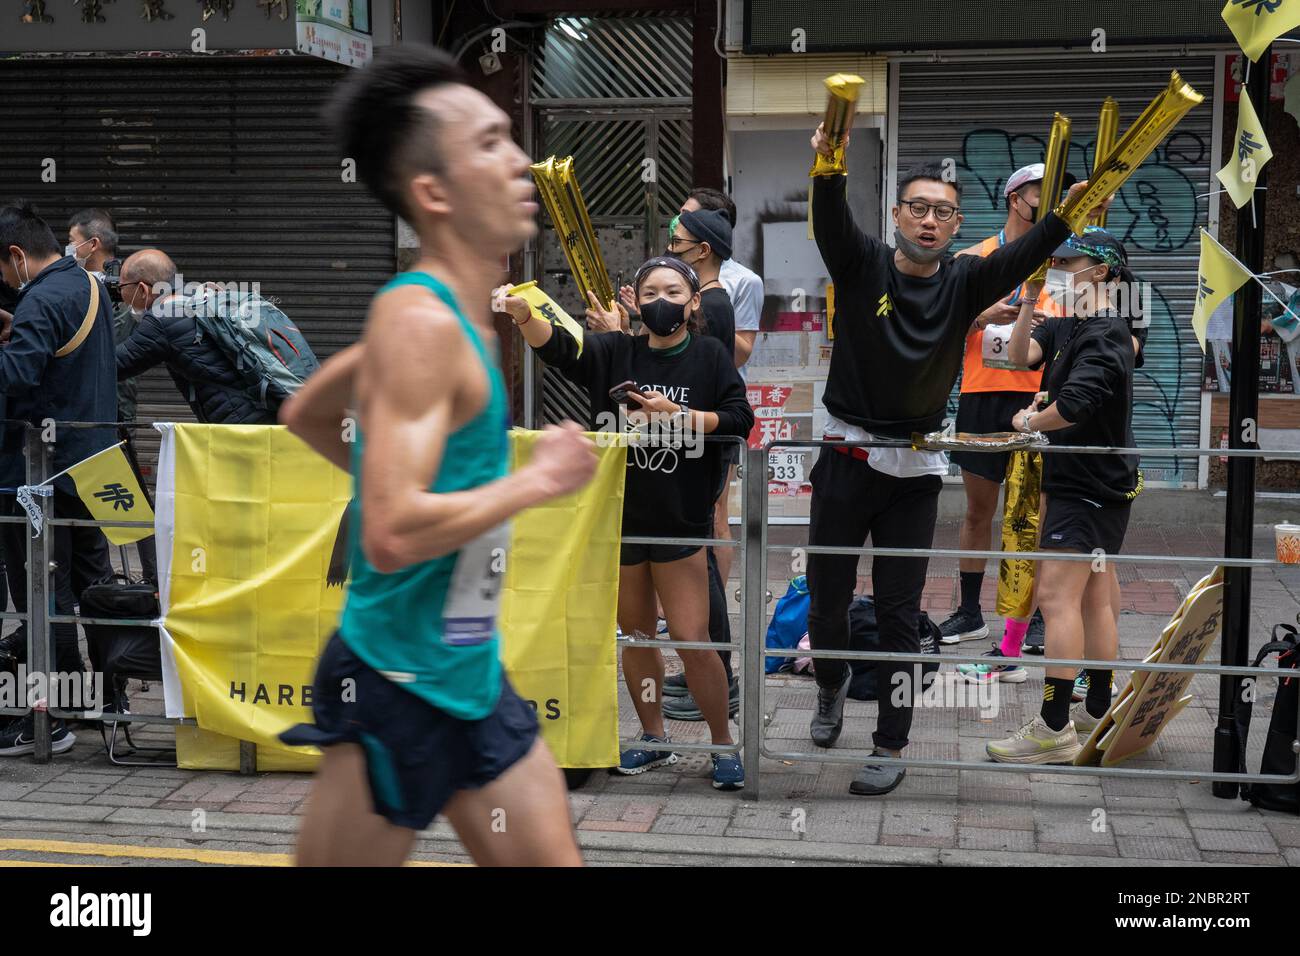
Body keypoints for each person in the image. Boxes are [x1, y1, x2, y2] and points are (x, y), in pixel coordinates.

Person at [277, 44, 596, 867]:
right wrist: (531, 481)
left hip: (466, 674)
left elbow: (306, 412)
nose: (521, 158)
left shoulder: (450, 319)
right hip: (393, 683)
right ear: (434, 192)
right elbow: (388, 534)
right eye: (490, 142)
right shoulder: (420, 324)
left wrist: (390, 473)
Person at [803, 122, 1109, 795]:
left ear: (957, 222)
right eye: (918, 207)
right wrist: (828, 158)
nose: (931, 220)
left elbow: (1029, 249)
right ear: (896, 215)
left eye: (943, 211)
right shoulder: (860, 264)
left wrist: (1066, 213)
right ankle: (830, 684)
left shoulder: (968, 281)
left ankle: (891, 744)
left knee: (900, 614)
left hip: (914, 470)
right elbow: (828, 217)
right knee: (825, 606)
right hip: (846, 456)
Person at [508, 254, 754, 789]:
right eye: (648, 294)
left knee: (692, 637)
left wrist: (680, 416)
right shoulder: (616, 350)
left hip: (680, 522)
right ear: (634, 304)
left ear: (692, 304)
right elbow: (560, 348)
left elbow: (739, 419)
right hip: (619, 520)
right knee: (637, 634)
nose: (659, 302)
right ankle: (655, 738)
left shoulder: (710, 356)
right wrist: (524, 314)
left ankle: (723, 742)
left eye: (671, 292)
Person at [987, 227, 1139, 764]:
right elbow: (1016, 356)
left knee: (1055, 597)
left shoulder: (1104, 331)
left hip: (1086, 486)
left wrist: (1032, 420)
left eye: (1065, 262)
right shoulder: (1074, 323)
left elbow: (1075, 405)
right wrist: (1029, 298)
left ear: (1099, 272)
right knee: (1096, 598)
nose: (1056, 269)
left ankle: (1053, 727)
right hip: (1092, 482)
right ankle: (1097, 709)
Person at [0, 201, 118, 756]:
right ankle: (101, 701)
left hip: (41, 473)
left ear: (18, 256)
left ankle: (52, 720)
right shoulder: (88, 286)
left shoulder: (41, 298)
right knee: (92, 587)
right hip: (95, 462)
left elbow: (18, 382)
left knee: (42, 591)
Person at [942, 165, 1059, 662]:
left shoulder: (1065, 262)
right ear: (1016, 199)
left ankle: (1030, 618)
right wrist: (980, 317)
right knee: (978, 510)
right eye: (1041, 195)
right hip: (983, 395)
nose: (1050, 204)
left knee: (1032, 514)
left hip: (1038, 399)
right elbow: (939, 327)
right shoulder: (972, 259)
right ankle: (970, 611)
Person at [67, 209, 157, 585]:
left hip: (112, 413)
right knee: (90, 504)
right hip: (88, 411)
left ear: (93, 243)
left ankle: (154, 581)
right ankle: (97, 583)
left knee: (126, 503)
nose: (68, 247)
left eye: (71, 240)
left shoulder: (123, 284)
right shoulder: (73, 282)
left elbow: (118, 347)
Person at [115, 250, 280, 425]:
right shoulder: (202, 297)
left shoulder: (163, 317)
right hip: (268, 410)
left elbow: (114, 366)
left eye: (121, 287)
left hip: (239, 423)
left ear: (142, 289)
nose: (120, 294)